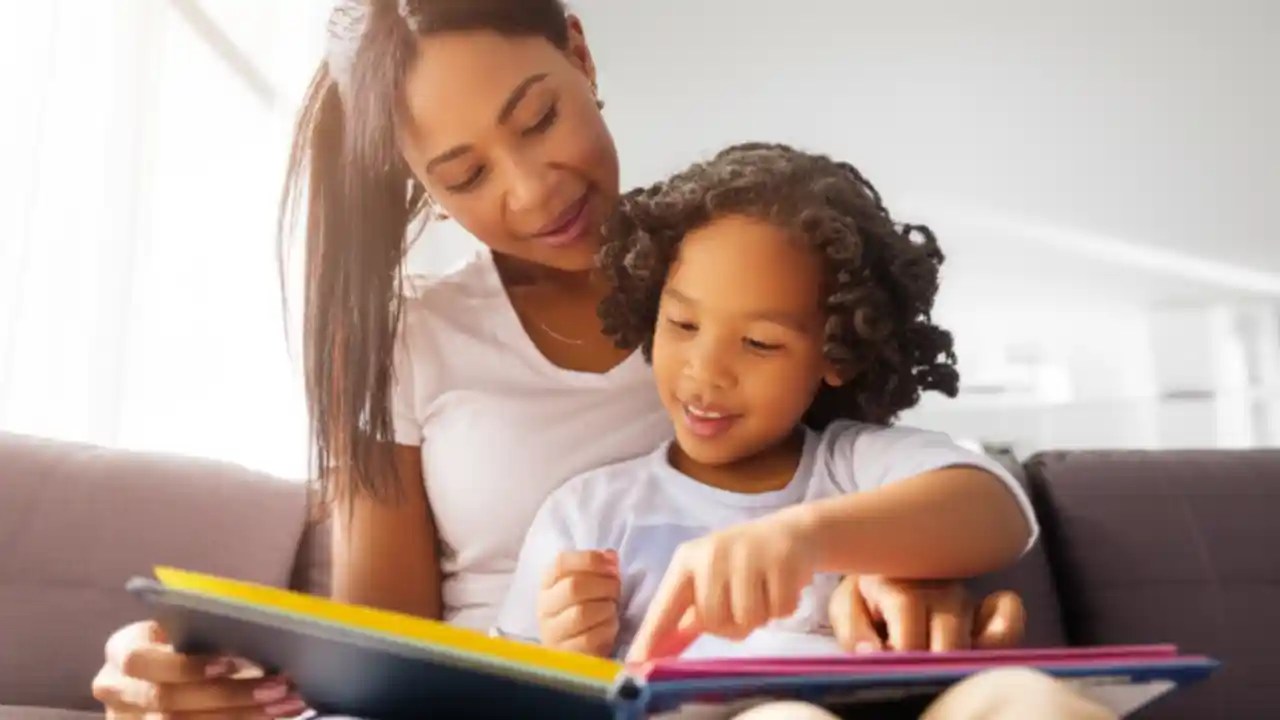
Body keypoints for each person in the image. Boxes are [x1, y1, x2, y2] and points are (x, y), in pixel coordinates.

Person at [88, 2, 1095, 717]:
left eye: (538, 119)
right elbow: (383, 657)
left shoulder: (745, 263)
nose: (531, 191)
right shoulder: (415, 341)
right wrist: (199, 670)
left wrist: (894, 574)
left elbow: (901, 494)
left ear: (579, 51)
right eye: (466, 173)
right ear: (419, 187)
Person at [493, 143, 1037, 665]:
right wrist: (566, 654)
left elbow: (998, 512)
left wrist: (802, 539)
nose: (704, 371)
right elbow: (500, 691)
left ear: (836, 351)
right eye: (682, 324)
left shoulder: (850, 468)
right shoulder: (591, 514)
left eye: (758, 343)